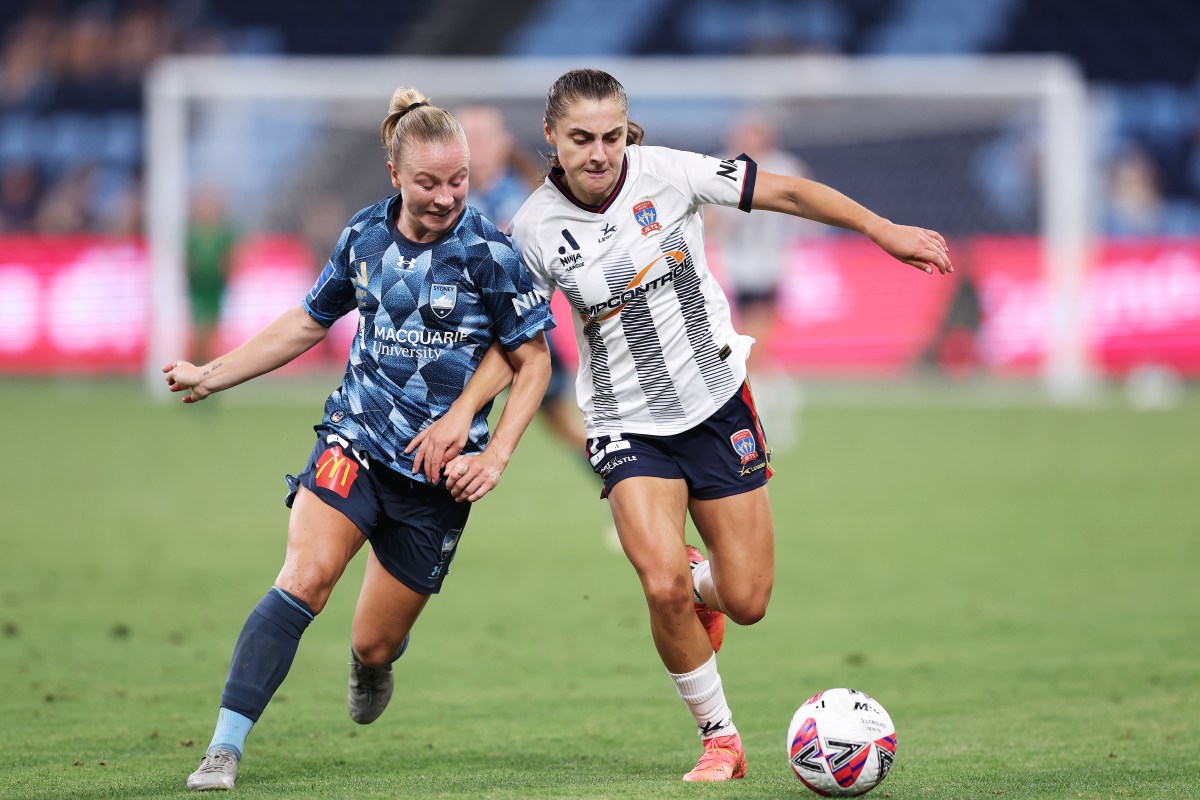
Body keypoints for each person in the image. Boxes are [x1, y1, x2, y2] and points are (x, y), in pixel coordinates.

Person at [496, 68, 952, 782]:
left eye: (612, 137)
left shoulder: (669, 173)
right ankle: (721, 741)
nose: (599, 153)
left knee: (747, 601)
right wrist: (472, 424)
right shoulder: (532, 229)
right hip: (624, 423)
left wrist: (880, 229)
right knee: (660, 586)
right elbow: (515, 346)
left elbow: (788, 192)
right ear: (551, 135)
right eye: (581, 139)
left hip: (716, 406)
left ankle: (700, 582)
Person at [164, 86, 554, 792]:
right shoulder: (365, 236)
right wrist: (214, 373)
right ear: (395, 174)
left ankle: (371, 662)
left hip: (436, 480)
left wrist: (492, 453)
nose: (445, 197)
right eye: (428, 183)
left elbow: (533, 360)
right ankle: (223, 748)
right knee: (305, 577)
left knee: (376, 641)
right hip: (355, 442)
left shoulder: (489, 253)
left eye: (458, 180)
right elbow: (307, 321)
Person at [457, 103, 587, 458]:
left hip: (517, 333)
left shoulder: (521, 202)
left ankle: (625, 470)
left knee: (564, 426)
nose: (474, 148)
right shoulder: (458, 200)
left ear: (503, 143)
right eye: (466, 139)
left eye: (481, 138)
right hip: (475, 334)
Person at [706, 110, 814, 448]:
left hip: (770, 263)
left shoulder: (783, 167)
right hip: (735, 265)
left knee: (756, 337)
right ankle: (775, 390)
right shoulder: (721, 167)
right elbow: (711, 220)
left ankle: (762, 403)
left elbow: (805, 209)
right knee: (744, 336)